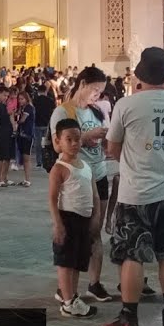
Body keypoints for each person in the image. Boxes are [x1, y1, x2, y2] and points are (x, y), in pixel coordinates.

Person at [101, 48, 164, 326]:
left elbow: (113, 149)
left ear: (140, 75)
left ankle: (129, 321)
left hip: (134, 192)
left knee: (132, 256)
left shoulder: (126, 106)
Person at [50, 66, 114, 303]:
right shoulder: (63, 112)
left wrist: (106, 138)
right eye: (95, 89)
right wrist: (87, 137)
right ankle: (66, 290)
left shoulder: (97, 111)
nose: (97, 95)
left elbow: (107, 143)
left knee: (95, 230)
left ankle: (94, 283)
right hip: (75, 180)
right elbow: (57, 147)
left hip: (98, 174)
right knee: (76, 234)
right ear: (83, 83)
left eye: (101, 92)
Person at [48, 118, 100, 318]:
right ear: (58, 141)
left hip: (84, 220)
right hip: (68, 218)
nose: (74, 143)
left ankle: (72, 294)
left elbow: (94, 194)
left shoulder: (86, 166)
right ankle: (68, 301)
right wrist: (58, 224)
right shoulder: (59, 168)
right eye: (68, 139)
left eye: (77, 139)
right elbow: (52, 199)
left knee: (78, 261)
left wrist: (96, 217)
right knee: (65, 262)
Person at [12, 91, 36, 187]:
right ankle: (25, 179)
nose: (20, 101)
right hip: (21, 135)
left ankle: (27, 179)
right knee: (23, 157)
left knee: (26, 158)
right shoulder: (22, 108)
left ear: (26, 98)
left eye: (22, 99)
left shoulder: (29, 108)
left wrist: (15, 120)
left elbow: (22, 120)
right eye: (19, 99)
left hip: (27, 135)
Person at [0, 86, 15, 187]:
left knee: (7, 157)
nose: (6, 97)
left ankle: (4, 178)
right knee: (1, 156)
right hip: (1, 132)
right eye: (4, 95)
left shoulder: (3, 105)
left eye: (7, 96)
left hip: (8, 132)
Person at [32, 85, 56, 168]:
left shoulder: (35, 100)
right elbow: (53, 112)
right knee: (46, 143)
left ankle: (39, 162)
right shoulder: (50, 100)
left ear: (38, 91)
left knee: (38, 143)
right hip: (47, 124)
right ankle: (47, 160)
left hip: (37, 124)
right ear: (46, 91)